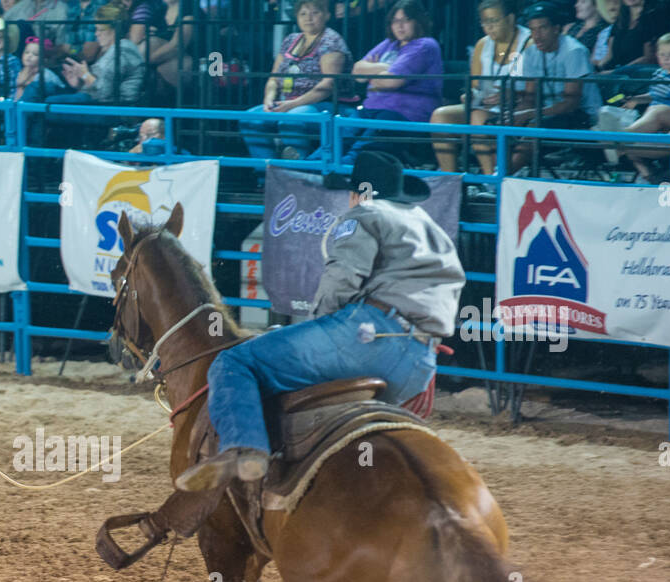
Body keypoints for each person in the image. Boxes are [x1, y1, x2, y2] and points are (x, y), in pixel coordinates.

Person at [175, 150, 462, 494]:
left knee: (236, 361)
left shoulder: (363, 214)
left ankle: (245, 450)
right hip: (419, 363)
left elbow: (342, 278)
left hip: (367, 340)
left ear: (358, 193)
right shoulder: (428, 227)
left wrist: (316, 326)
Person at [241, 0, 350, 163]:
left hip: (324, 104)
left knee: (291, 120)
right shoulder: (290, 39)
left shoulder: (331, 40)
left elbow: (328, 85)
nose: (309, 18)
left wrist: (292, 105)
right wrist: (269, 100)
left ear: (327, 15)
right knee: (250, 119)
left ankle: (296, 175)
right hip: (286, 102)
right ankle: (266, 175)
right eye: (303, 14)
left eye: (315, 13)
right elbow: (274, 78)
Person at [430, 0, 529, 174]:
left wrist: (511, 94)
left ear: (510, 19)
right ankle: (450, 179)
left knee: (478, 117)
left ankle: (491, 178)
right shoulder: (482, 44)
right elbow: (476, 85)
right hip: (486, 105)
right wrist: (470, 96)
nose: (489, 27)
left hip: (518, 107)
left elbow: (533, 89)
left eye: (494, 21)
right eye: (485, 22)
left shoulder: (529, 42)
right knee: (440, 117)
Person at [343, 1, 443, 164]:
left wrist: (373, 73)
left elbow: (392, 82)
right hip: (371, 108)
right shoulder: (389, 43)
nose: (400, 26)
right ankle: (307, 171)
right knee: (338, 137)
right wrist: (387, 68)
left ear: (418, 21)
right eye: (395, 21)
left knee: (360, 152)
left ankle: (337, 175)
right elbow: (357, 72)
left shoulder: (425, 45)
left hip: (403, 113)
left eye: (406, 20)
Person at [507, 2, 601, 171]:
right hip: (546, 113)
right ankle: (494, 175)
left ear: (556, 28)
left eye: (542, 28)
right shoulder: (530, 53)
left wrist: (529, 114)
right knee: (501, 124)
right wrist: (515, 115)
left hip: (582, 117)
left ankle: (497, 182)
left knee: (533, 129)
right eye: (532, 30)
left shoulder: (574, 51)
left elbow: (571, 104)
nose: (537, 36)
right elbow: (529, 98)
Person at [614, 32, 670, 180]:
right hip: (652, 116)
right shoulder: (658, 74)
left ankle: (618, 136)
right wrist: (636, 99)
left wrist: (664, 122)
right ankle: (647, 172)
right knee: (628, 149)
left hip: (669, 118)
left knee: (628, 139)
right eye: (662, 54)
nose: (665, 58)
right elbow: (654, 94)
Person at [597, 0, 670, 73]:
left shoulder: (653, 19)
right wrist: (598, 67)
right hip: (616, 73)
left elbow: (648, 58)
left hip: (639, 75)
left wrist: (617, 71)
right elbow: (609, 55)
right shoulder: (620, 21)